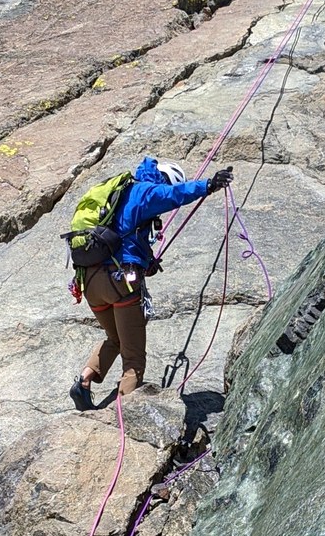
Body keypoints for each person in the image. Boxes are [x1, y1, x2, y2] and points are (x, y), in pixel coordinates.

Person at [69, 156, 233, 408]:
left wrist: (147, 260)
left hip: (90, 283)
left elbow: (125, 237)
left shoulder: (121, 193)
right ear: (165, 178)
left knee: (115, 339)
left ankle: (84, 380)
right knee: (133, 358)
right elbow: (174, 194)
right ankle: (122, 415)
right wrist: (208, 185)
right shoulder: (145, 191)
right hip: (119, 284)